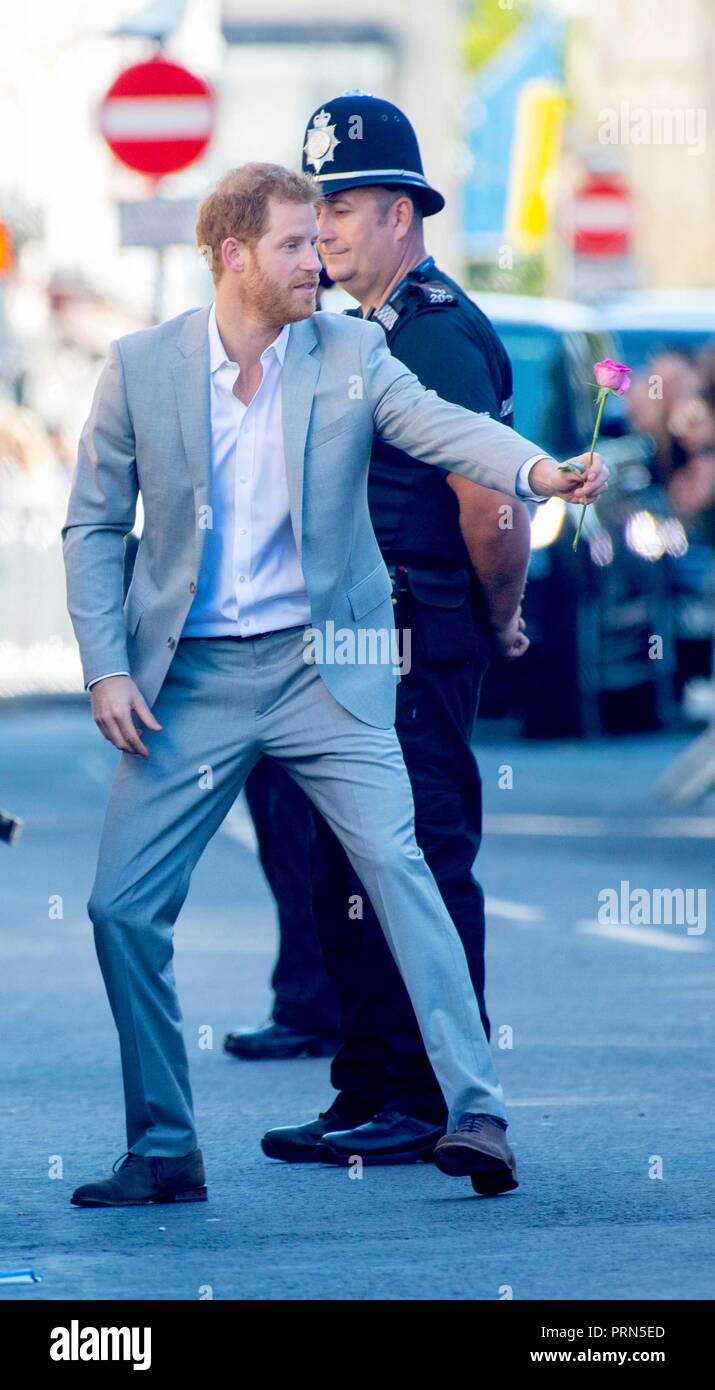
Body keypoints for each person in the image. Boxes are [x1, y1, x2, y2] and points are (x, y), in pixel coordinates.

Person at [61, 162, 606, 1208]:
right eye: (295, 245)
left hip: (330, 663)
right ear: (231, 255)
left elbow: (444, 428)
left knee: (400, 868)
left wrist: (536, 471)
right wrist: (105, 666)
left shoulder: (354, 351)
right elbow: (91, 525)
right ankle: (165, 1145)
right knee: (120, 907)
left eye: (321, 240)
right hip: (196, 676)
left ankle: (477, 1108)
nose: (320, 261)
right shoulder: (139, 369)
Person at [226, 93, 532, 1166]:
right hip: (353, 640)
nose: (326, 231)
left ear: (402, 210)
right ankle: (371, 1087)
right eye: (314, 211)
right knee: (342, 867)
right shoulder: (367, 331)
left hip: (413, 632)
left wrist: (498, 619)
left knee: (422, 858)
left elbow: (491, 503)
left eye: (342, 206)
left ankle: (430, 1094)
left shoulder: (436, 329)